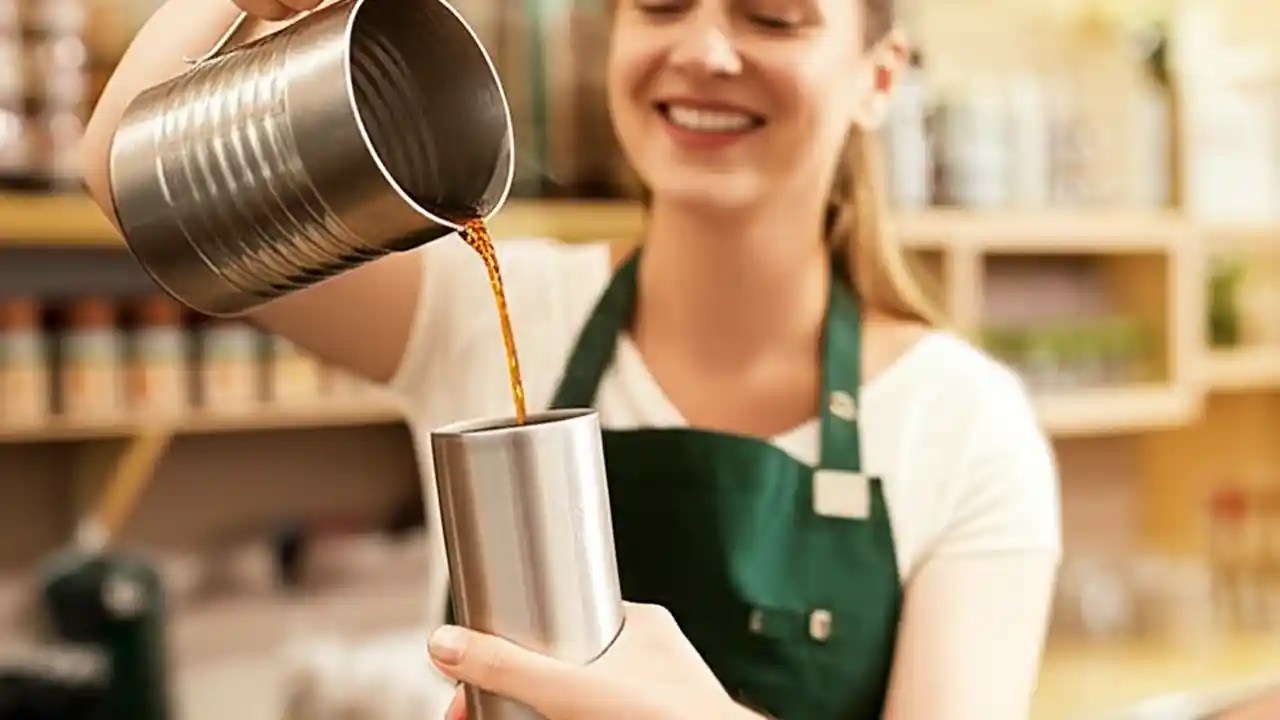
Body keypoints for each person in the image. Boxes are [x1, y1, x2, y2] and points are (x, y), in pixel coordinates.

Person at [81, 0, 1062, 718]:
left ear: (878, 77)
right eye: (660, 7)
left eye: (772, 18)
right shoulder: (486, 307)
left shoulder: (963, 423)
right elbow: (135, 184)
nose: (704, 48)